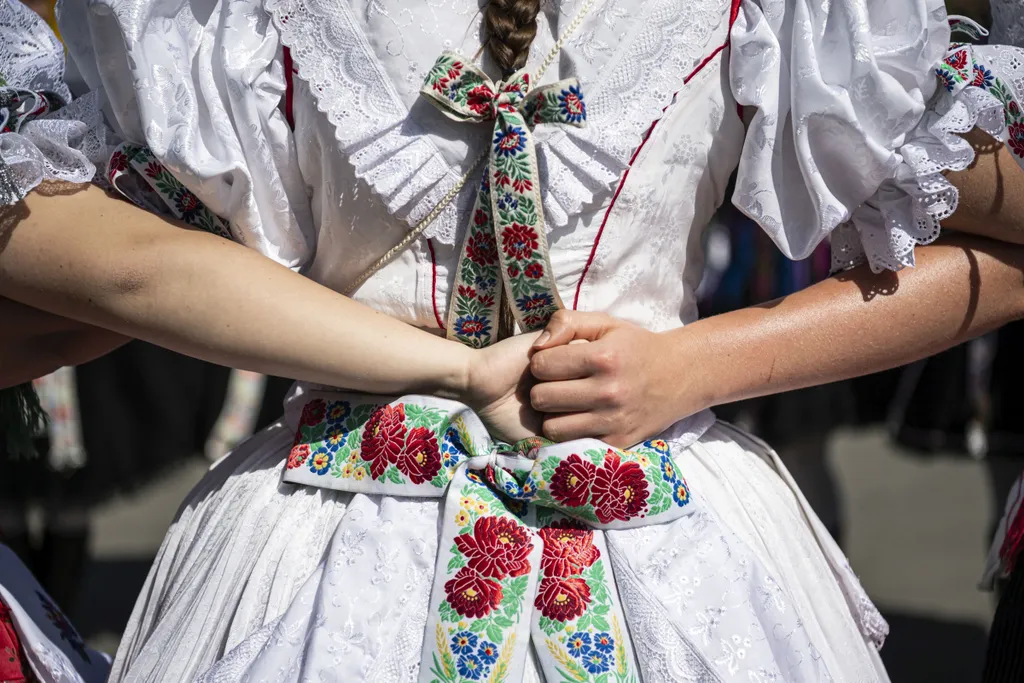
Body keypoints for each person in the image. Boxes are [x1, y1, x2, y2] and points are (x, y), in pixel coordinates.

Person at [5, 0, 1024, 681]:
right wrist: (684, 365)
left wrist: (691, 364)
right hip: (624, 517)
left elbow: (111, 270)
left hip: (338, 519)